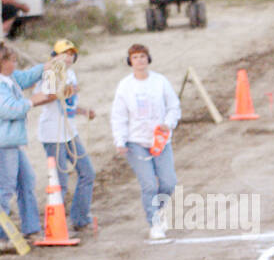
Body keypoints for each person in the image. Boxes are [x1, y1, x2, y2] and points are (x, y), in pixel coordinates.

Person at [111, 44, 180, 237]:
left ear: (148, 59)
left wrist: (168, 123)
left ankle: (158, 210)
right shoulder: (125, 86)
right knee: (149, 184)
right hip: (136, 142)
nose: (139, 60)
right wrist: (120, 140)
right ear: (130, 61)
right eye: (135, 57)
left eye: (143, 56)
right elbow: (119, 115)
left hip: (160, 140)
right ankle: (154, 222)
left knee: (168, 181)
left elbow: (174, 106)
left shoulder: (160, 82)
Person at [36, 39, 94, 235]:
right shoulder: (50, 72)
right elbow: (48, 96)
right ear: (55, 55)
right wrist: (67, 90)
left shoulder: (71, 73)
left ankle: (80, 218)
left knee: (87, 172)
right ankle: (56, 226)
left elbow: (67, 105)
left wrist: (82, 110)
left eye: (71, 53)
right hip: (53, 133)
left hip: (69, 130)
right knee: (59, 181)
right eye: (64, 53)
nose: (68, 57)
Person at [0, 44, 56, 244]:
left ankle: (31, 228)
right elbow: (9, 109)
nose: (15, 64)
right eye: (12, 60)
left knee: (26, 181)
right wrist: (32, 101)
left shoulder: (10, 79)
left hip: (11, 142)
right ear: (3, 62)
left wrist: (45, 67)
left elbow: (26, 77)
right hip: (4, 144)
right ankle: (1, 235)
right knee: (4, 188)